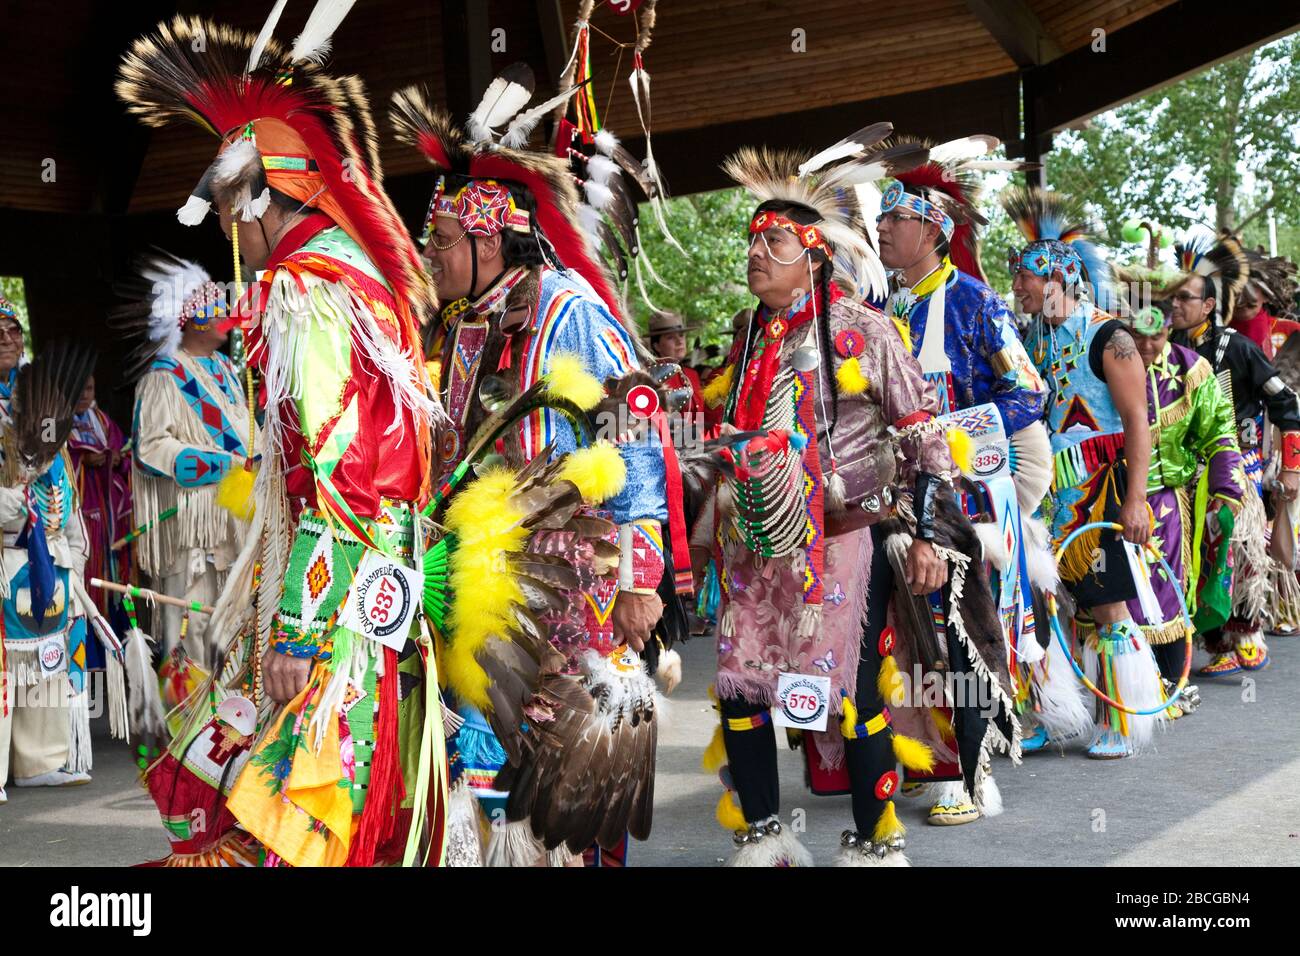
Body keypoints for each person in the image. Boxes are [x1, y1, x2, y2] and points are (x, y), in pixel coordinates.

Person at [117, 6, 442, 866]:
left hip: (334, 590)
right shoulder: (353, 278)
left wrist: (295, 627)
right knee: (351, 782)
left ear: (268, 196)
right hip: (371, 575)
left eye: (231, 208)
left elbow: (338, 464)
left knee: (304, 800)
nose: (229, 229)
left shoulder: (310, 291)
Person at [699, 130, 1017, 867]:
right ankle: (763, 841)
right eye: (753, 243)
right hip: (761, 540)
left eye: (773, 244)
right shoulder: (750, 335)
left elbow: (926, 435)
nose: (755, 256)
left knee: (851, 693)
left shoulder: (863, 329)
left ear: (813, 254)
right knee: (741, 688)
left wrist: (934, 538)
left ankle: (876, 844)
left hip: (847, 536)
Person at [391, 68, 671, 865]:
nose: (428, 256)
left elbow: (635, 440)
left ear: (489, 240)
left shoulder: (570, 309)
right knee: (480, 772)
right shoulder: (463, 326)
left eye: (441, 242)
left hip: (570, 582)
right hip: (475, 587)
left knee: (566, 775)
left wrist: (638, 578)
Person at [875, 140, 1057, 823]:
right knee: (910, 624)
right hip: (903, 495)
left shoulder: (974, 302)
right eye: (881, 218)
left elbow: (1027, 392)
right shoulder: (884, 305)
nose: (883, 229)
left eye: (896, 219)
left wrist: (950, 432)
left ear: (933, 228)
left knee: (962, 625)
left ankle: (970, 769)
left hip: (968, 496)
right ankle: (929, 755)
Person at [1007, 187, 1165, 760]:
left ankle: (1120, 720)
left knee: (1107, 605)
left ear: (1055, 277)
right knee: (1045, 604)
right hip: (1042, 492)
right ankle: (1053, 713)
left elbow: (1137, 421)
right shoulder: (1029, 338)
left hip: (1097, 492)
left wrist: (1137, 499)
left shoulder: (1111, 337)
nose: (1018, 286)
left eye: (1025, 276)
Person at [1168, 232, 1300, 676]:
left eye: (1185, 298)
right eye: (1173, 296)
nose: (1175, 304)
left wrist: (1294, 469)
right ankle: (1217, 641)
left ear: (1208, 306)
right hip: (1183, 468)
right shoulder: (1167, 351)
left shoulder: (1238, 349)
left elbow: (1287, 405)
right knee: (1193, 553)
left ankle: (1248, 631)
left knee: (1237, 546)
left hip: (1235, 465)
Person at [118, 254, 255, 673]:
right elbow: (151, 448)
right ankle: (186, 727)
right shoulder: (163, 376)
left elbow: (247, 431)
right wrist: (223, 463)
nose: (227, 314)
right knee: (193, 622)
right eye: (215, 306)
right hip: (192, 532)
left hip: (234, 523)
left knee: (234, 623)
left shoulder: (228, 371)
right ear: (192, 319)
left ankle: (230, 729)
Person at [1124, 303, 1242, 706]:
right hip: (1109, 498)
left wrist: (1227, 490)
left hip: (1168, 502)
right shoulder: (1108, 364)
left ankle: (1171, 684)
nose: (1145, 345)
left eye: (1155, 337)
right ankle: (1124, 689)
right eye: (1136, 336)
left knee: (1166, 591)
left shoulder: (1192, 370)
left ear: (1170, 332)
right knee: (1117, 596)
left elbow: (1221, 430)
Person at [0, 318, 98, 796]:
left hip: (49, 553)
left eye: (13, 330)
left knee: (45, 658)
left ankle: (39, 761)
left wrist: (74, 548)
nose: (7, 339)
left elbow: (62, 474)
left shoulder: (39, 398)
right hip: (5, 552)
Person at [66, 375, 132, 671]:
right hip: (82, 508)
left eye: (89, 388)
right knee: (87, 574)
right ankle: (89, 654)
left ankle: (117, 647)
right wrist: (81, 459)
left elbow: (127, 450)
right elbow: (55, 458)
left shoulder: (102, 421)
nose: (83, 394)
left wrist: (116, 459)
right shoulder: (55, 423)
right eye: (76, 387)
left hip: (107, 512)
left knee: (113, 575)